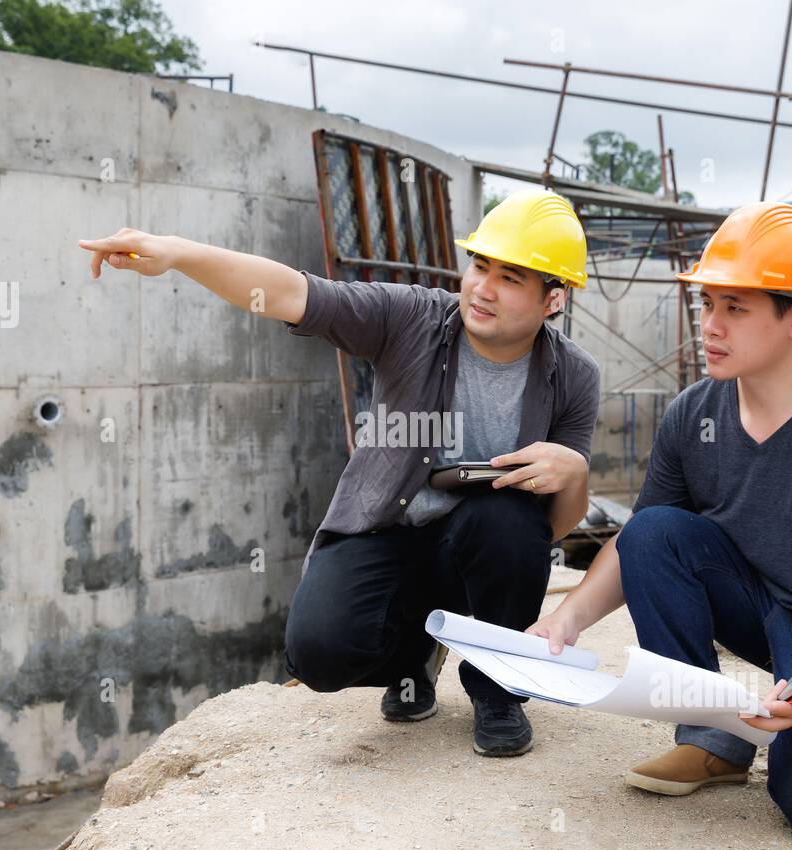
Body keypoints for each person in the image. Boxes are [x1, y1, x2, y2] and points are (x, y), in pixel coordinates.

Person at [79, 189, 601, 757]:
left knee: (508, 519)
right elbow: (292, 293)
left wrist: (573, 474)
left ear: (553, 300)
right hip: (387, 533)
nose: (482, 288)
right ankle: (412, 657)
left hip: (475, 545)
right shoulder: (409, 318)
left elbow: (551, 529)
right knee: (319, 653)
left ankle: (498, 691)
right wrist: (178, 252)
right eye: (480, 266)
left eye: (511, 279)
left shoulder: (572, 376)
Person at [527, 201, 792, 840]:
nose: (710, 326)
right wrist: (566, 619)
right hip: (755, 601)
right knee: (654, 532)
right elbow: (643, 538)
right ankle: (712, 740)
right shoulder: (693, 414)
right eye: (707, 304)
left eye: (736, 307)